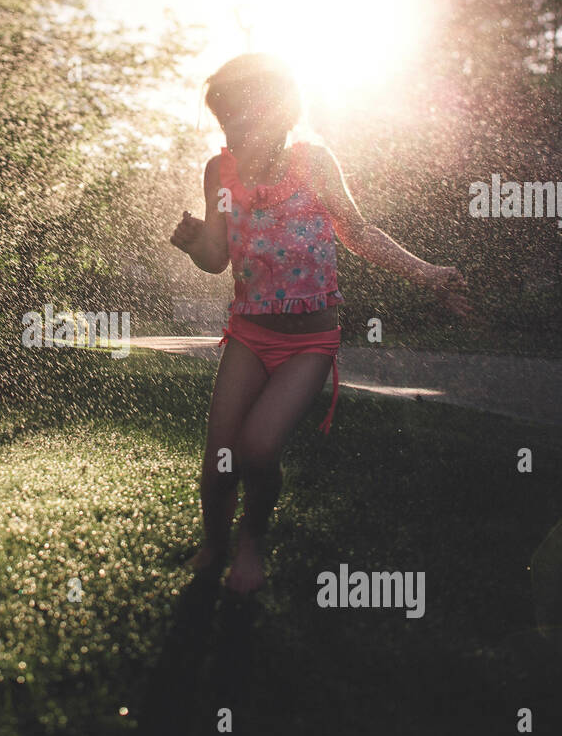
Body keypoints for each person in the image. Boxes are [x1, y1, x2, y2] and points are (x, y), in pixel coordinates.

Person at [169, 53, 472, 593]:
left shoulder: (313, 165)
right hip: (248, 333)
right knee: (219, 457)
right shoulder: (220, 171)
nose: (230, 132)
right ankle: (212, 544)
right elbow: (217, 257)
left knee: (258, 450)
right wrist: (196, 245)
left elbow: (357, 231)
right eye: (222, 122)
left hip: (308, 342)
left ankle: (250, 546)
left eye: (239, 119)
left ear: (279, 113)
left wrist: (427, 274)